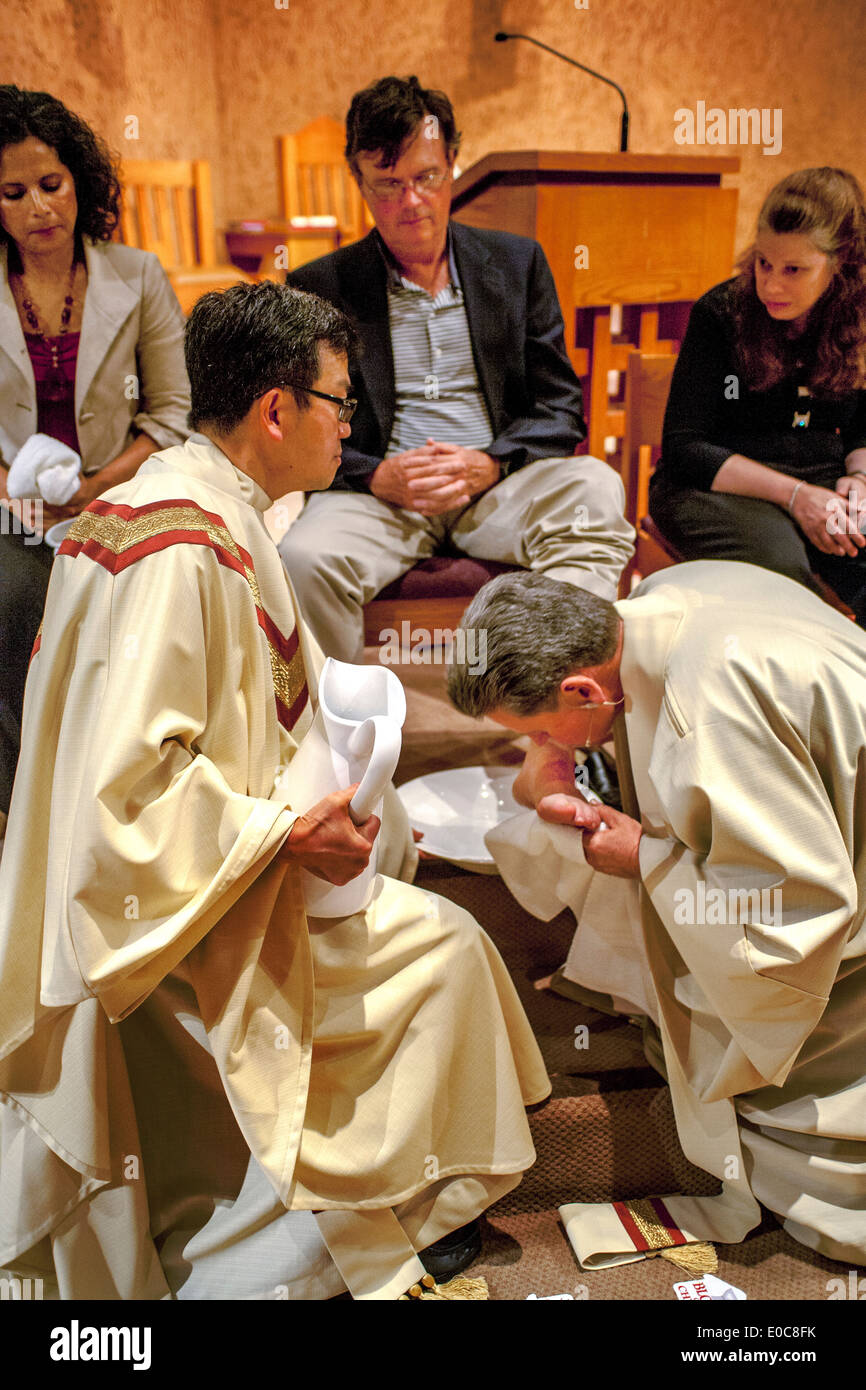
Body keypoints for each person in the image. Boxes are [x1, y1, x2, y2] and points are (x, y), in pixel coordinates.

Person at [0, 280, 550, 1301]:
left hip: (183, 888)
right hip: (173, 927)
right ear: (275, 410)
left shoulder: (169, 505)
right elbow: (131, 793)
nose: (352, 425)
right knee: (447, 954)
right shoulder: (187, 547)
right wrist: (283, 833)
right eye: (341, 402)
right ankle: (330, 1232)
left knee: (419, 914)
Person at [447, 565, 866, 1267]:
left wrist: (645, 855)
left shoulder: (711, 716)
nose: (552, 743)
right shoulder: (661, 597)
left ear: (581, 688)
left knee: (782, 1131)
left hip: (832, 926)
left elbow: (791, 918)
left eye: (544, 725)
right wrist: (554, 754)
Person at [278, 75, 634, 663]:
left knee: (596, 489)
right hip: (381, 499)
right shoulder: (320, 287)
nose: (411, 202)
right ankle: (336, 736)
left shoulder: (518, 263)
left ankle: (558, 707)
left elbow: (560, 408)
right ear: (359, 185)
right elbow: (303, 425)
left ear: (453, 168)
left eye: (426, 178)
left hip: (497, 487)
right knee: (301, 557)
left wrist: (490, 464)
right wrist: (375, 476)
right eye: (388, 185)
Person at [0, 86, 189, 831]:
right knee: (12, 598)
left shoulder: (137, 276)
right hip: (12, 505)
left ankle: (133, 801)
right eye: (14, 193)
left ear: (80, 180)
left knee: (153, 592)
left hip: (122, 487)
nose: (39, 207)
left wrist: (95, 487)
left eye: (52, 184)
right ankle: (25, 805)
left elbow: (171, 413)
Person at [649, 167, 866, 621]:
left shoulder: (856, 316)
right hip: (714, 488)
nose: (771, 284)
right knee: (780, 566)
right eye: (764, 262)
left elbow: (861, 428)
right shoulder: (721, 312)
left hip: (820, 484)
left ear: (840, 261)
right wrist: (795, 495)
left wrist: (859, 481)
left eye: (794, 270)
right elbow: (684, 448)